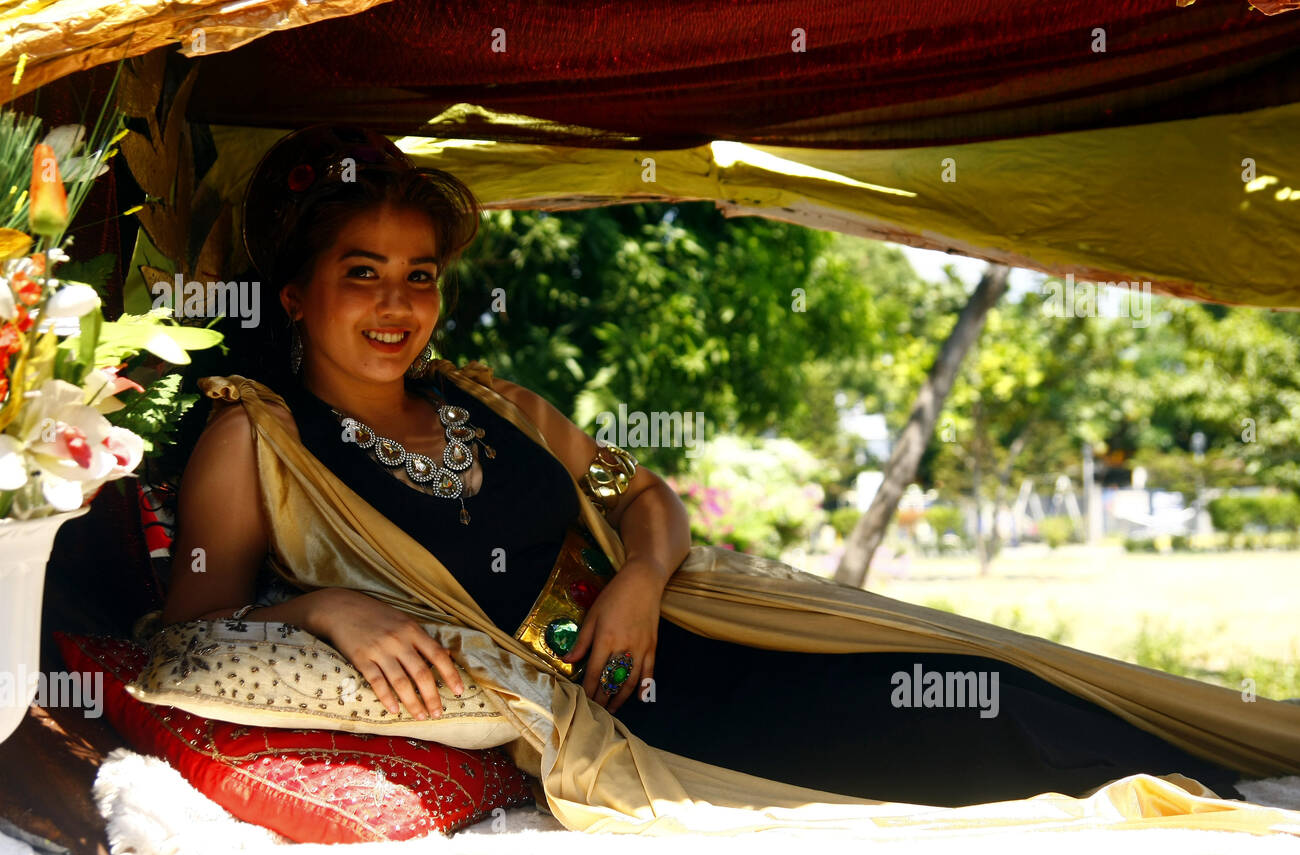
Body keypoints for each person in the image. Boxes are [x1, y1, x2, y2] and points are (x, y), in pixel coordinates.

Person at [159, 125, 1262, 813]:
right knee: (963, 734)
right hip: (627, 720)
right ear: (296, 292)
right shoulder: (256, 443)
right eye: (363, 273)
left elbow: (637, 493)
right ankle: (1235, 811)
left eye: (421, 274)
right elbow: (180, 641)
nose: (399, 305)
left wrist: (637, 578)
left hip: (710, 622)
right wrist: (323, 605)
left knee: (1001, 683)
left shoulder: (494, 403)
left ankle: (1246, 786)